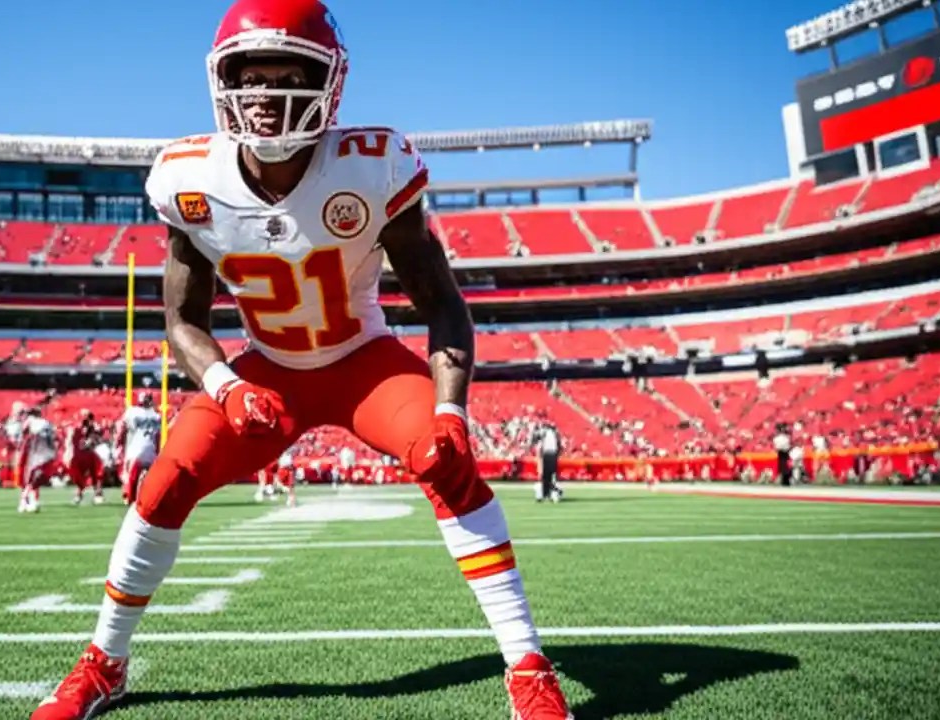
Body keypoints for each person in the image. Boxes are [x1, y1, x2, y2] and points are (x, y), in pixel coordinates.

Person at [31, 2, 571, 718]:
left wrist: (449, 410)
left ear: (329, 84)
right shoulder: (191, 180)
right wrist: (225, 387)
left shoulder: (372, 167)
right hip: (266, 366)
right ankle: (104, 662)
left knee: (447, 460)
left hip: (362, 361)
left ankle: (527, 665)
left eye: (290, 75)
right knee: (164, 482)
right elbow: (183, 322)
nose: (266, 94)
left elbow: (442, 303)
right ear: (224, 81)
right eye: (251, 77)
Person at [113, 392, 161, 505]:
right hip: (151, 450)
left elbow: (121, 428)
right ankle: (150, 499)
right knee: (149, 479)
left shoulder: (132, 412)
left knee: (129, 476)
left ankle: (129, 498)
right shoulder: (156, 416)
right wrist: (157, 452)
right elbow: (158, 437)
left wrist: (118, 443)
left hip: (136, 450)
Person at [65, 409, 106, 505]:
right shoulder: (75, 428)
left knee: (96, 474)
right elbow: (70, 441)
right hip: (79, 455)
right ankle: (80, 495)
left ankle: (97, 494)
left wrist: (92, 439)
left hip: (89, 454)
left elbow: (98, 437)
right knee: (79, 477)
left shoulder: (92, 428)